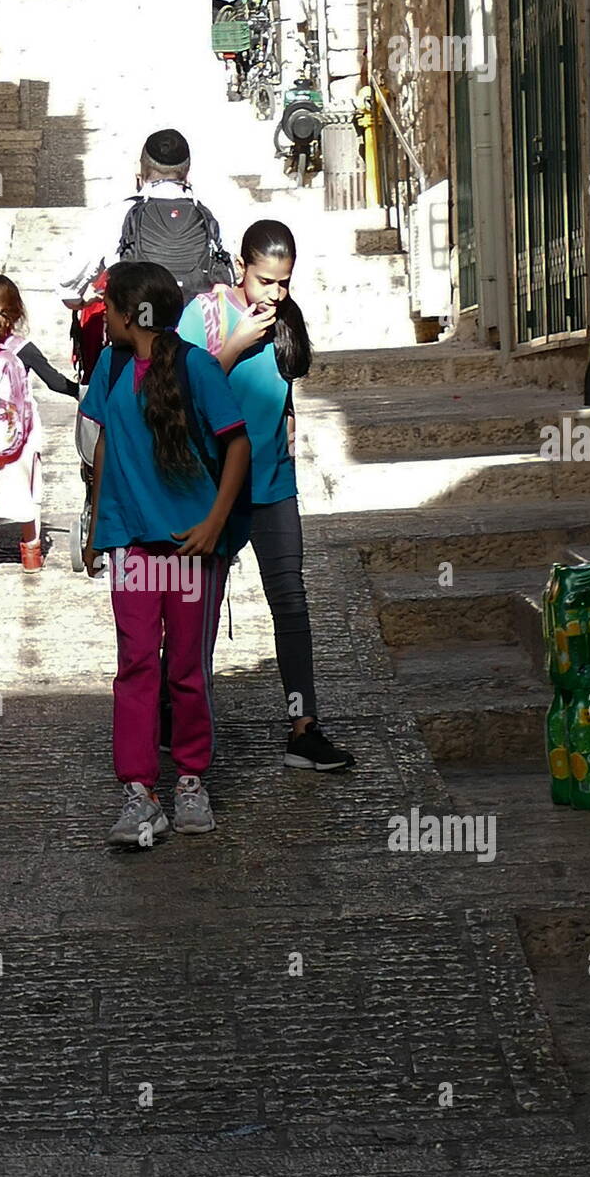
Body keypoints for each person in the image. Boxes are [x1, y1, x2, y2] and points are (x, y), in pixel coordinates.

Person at [80, 262, 251, 846]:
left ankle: (191, 779)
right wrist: (94, 524)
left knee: (185, 667)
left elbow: (238, 444)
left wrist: (215, 523)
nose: (105, 319)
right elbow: (102, 445)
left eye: (110, 308)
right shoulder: (110, 365)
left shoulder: (198, 368)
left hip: (191, 544)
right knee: (135, 665)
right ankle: (139, 791)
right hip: (131, 542)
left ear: (130, 314)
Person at [177, 220, 355, 772]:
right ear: (240, 269)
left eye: (284, 282)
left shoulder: (286, 315)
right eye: (265, 281)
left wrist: (291, 417)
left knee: (292, 605)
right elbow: (181, 394)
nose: (276, 294)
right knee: (196, 615)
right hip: (212, 489)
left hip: (274, 486)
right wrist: (232, 347)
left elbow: (282, 385)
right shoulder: (203, 315)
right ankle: (180, 729)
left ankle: (304, 727)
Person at [0, 275, 79, 591]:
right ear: (17, 312)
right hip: (19, 435)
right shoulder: (24, 349)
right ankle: (31, 551)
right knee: (26, 488)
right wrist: (82, 391)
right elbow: (54, 382)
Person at [57, 129, 233, 318]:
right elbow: (233, 273)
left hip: (141, 330)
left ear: (141, 170)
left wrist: (81, 301)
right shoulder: (212, 216)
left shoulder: (117, 214)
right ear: (187, 172)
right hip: (198, 333)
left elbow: (69, 285)